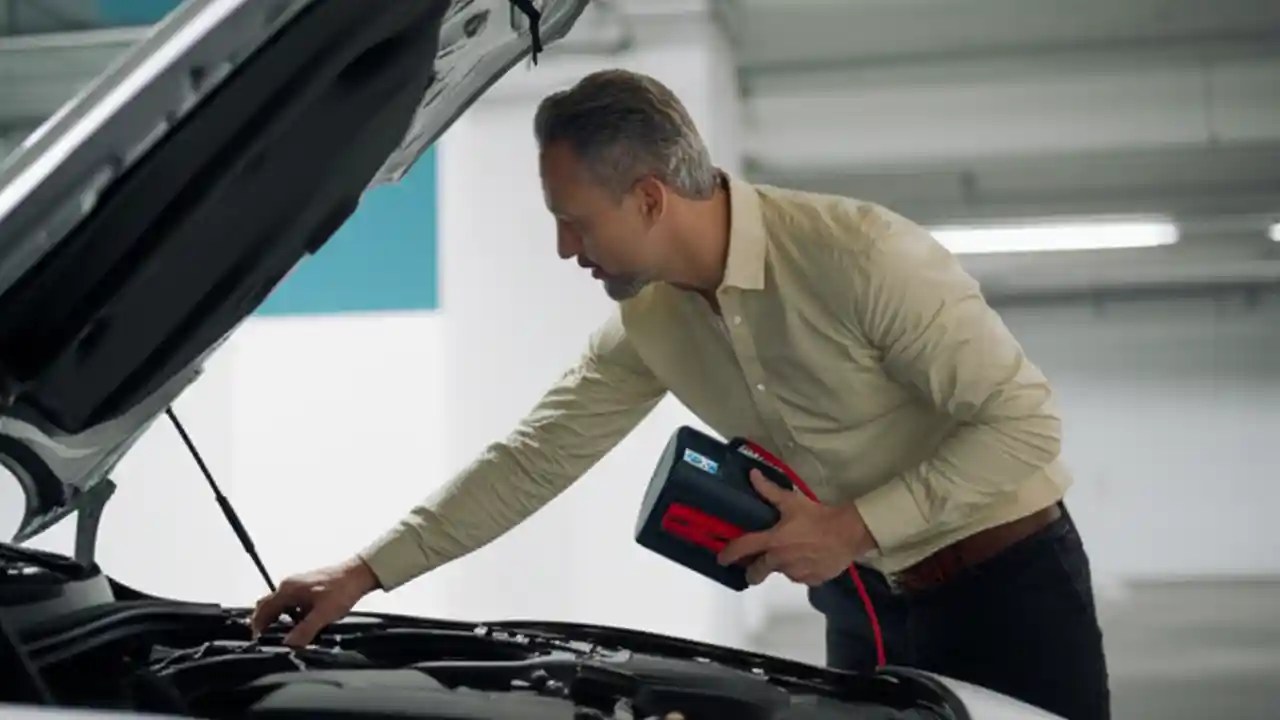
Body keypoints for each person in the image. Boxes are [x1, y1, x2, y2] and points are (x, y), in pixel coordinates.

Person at [250, 69, 1111, 719]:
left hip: (1007, 587)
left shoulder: (861, 257)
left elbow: (1023, 426)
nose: (563, 247)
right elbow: (534, 457)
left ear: (650, 198)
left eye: (575, 219)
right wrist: (365, 572)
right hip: (861, 600)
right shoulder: (647, 326)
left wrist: (848, 526)